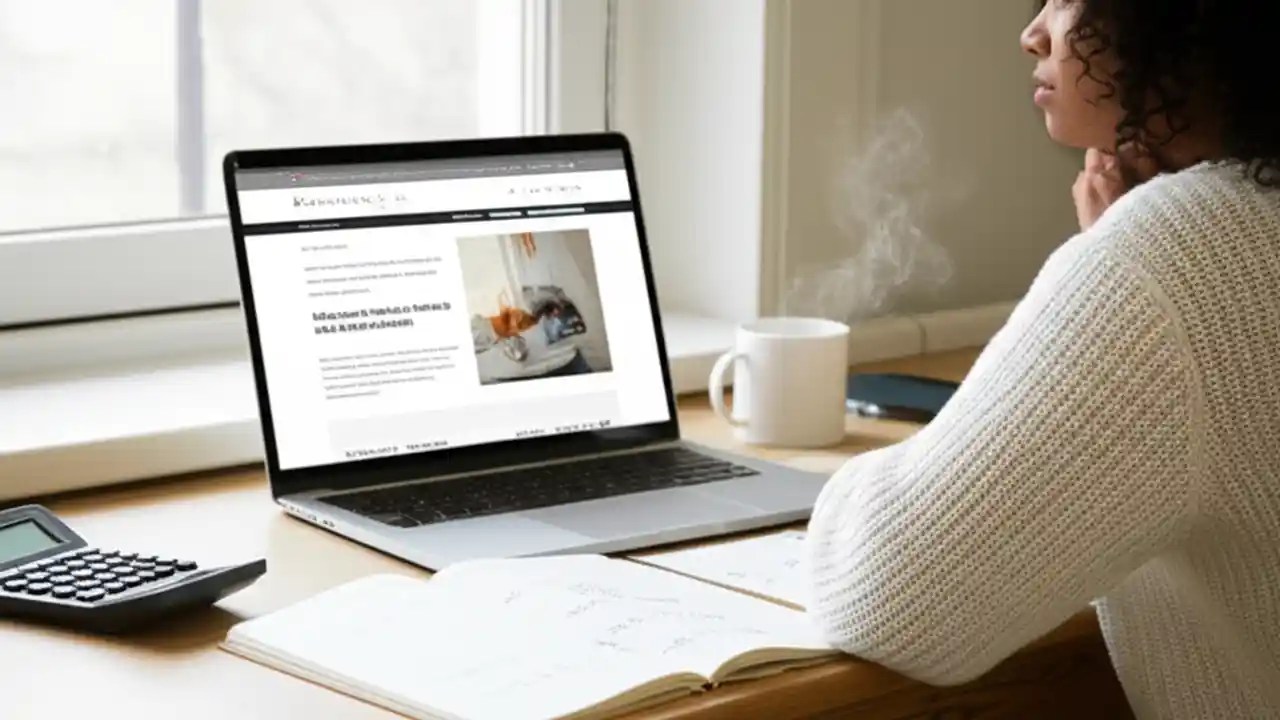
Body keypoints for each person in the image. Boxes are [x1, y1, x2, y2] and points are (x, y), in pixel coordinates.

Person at [804, 1, 1280, 717]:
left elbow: (888, 595)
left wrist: (1113, 261)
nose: (1033, 33)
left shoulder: (1181, 251)